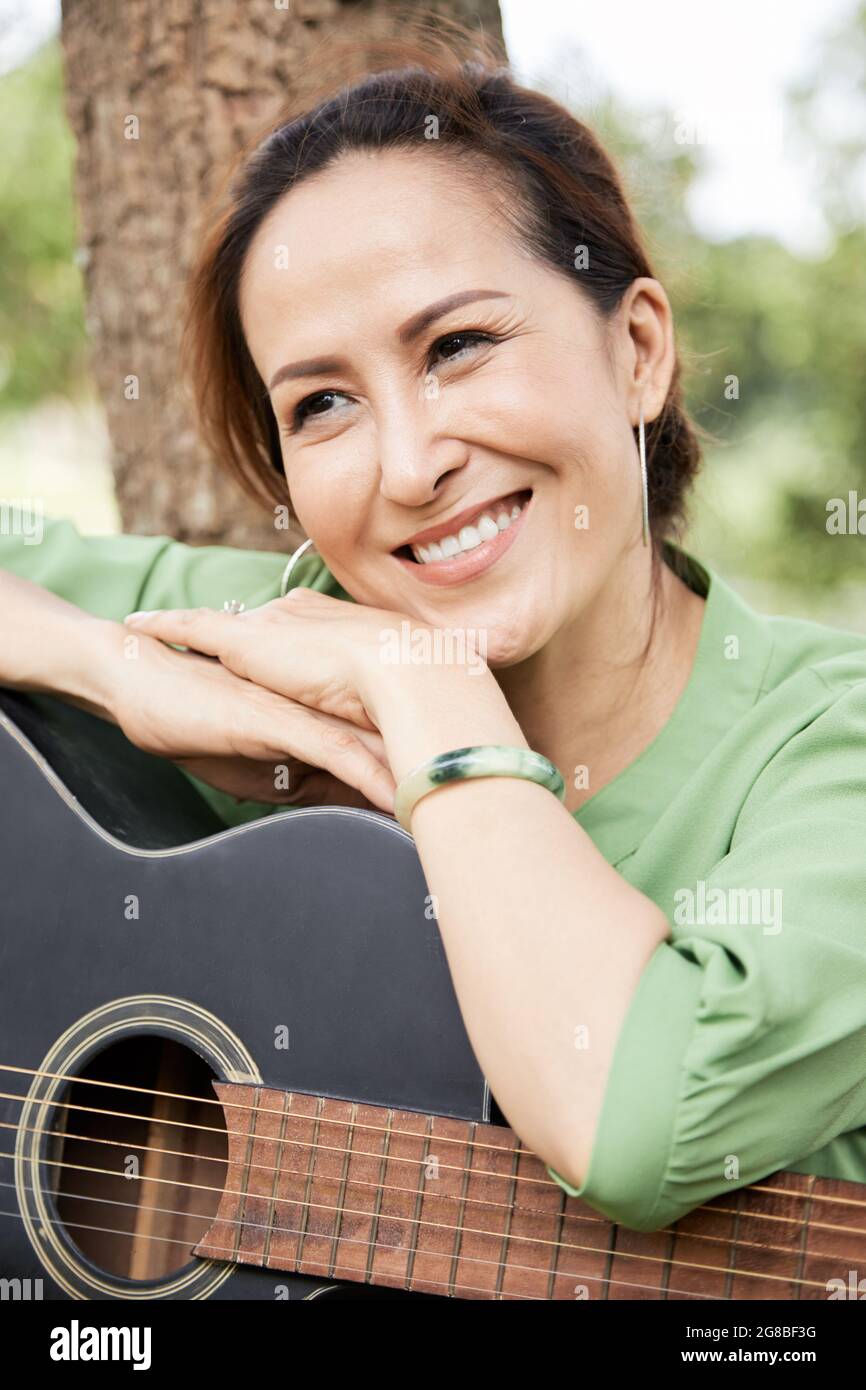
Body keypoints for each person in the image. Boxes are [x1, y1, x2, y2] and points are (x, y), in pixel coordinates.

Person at [1, 24, 864, 1236]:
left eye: (455, 345)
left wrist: (426, 692)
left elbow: (637, 1121)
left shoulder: (832, 742)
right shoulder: (255, 653)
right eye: (323, 405)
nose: (408, 466)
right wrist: (100, 663)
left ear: (637, 353)